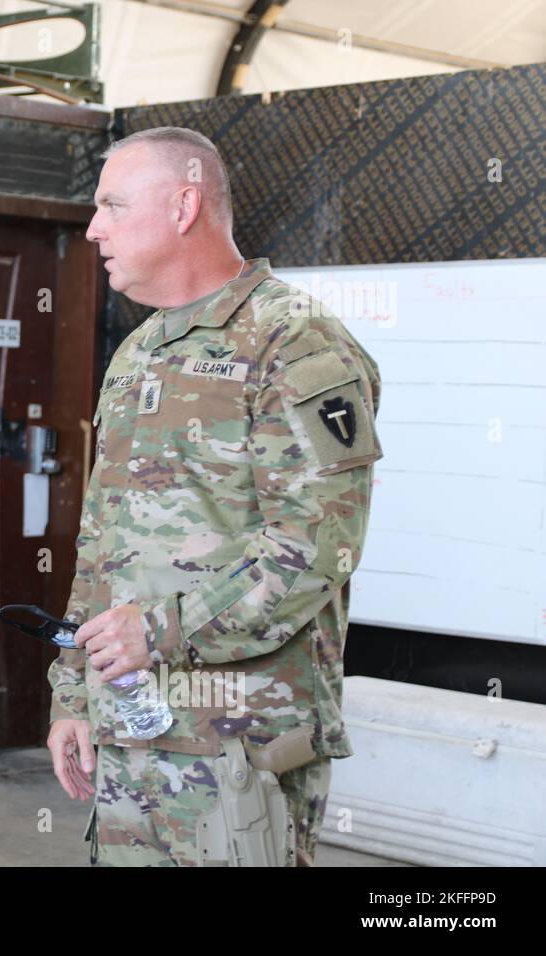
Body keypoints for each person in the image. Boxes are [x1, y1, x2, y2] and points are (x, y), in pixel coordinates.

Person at [47, 126, 382, 866]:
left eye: (112, 205)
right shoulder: (139, 351)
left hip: (238, 746)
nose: (94, 228)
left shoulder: (294, 343)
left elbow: (316, 550)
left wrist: (160, 629)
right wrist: (73, 690)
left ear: (183, 206)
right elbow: (102, 543)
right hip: (129, 735)